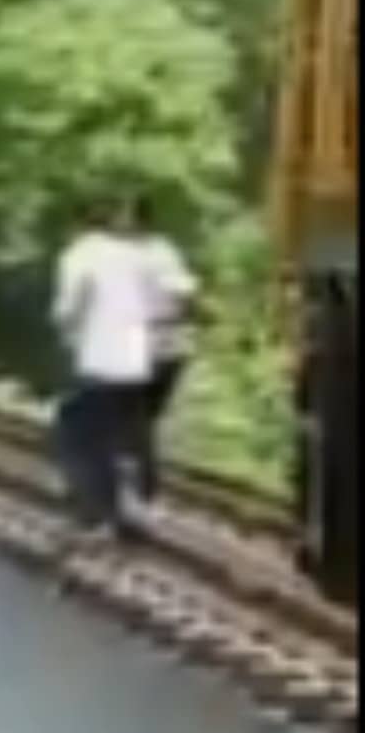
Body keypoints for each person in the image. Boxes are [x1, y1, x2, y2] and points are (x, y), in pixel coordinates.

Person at [54, 199, 173, 542]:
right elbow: (162, 301)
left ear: (77, 227)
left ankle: (98, 517)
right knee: (133, 430)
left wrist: (68, 330)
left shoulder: (78, 256)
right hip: (137, 361)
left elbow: (68, 309)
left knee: (79, 439)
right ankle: (145, 502)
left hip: (97, 361)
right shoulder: (134, 255)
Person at [132, 207, 202, 510]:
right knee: (146, 418)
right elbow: (187, 295)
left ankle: (144, 493)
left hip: (143, 345)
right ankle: (145, 488)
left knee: (136, 418)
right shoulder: (166, 251)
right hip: (173, 345)